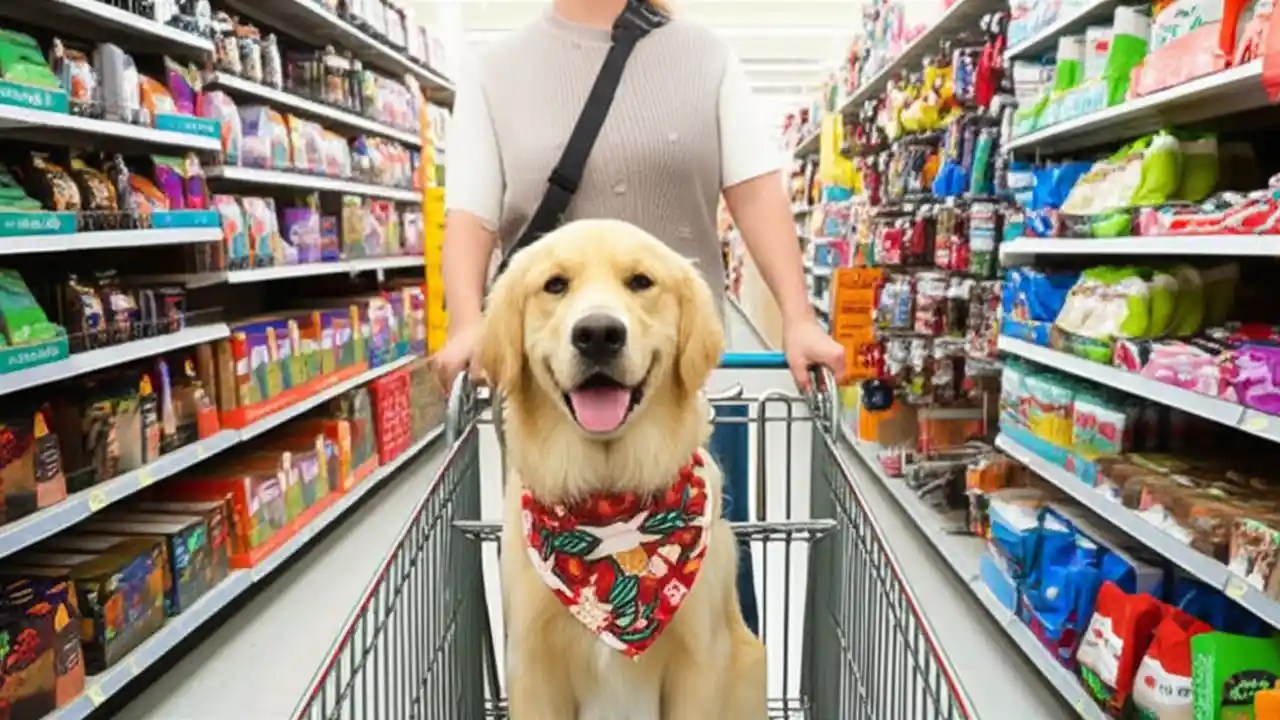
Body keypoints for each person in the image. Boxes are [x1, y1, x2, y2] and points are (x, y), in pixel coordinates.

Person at [432, 0, 845, 391]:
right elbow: (471, 219)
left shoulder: (706, 58)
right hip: (549, 392)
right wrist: (467, 325)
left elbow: (755, 193)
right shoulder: (493, 71)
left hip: (683, 383)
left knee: (696, 468)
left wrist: (799, 318)